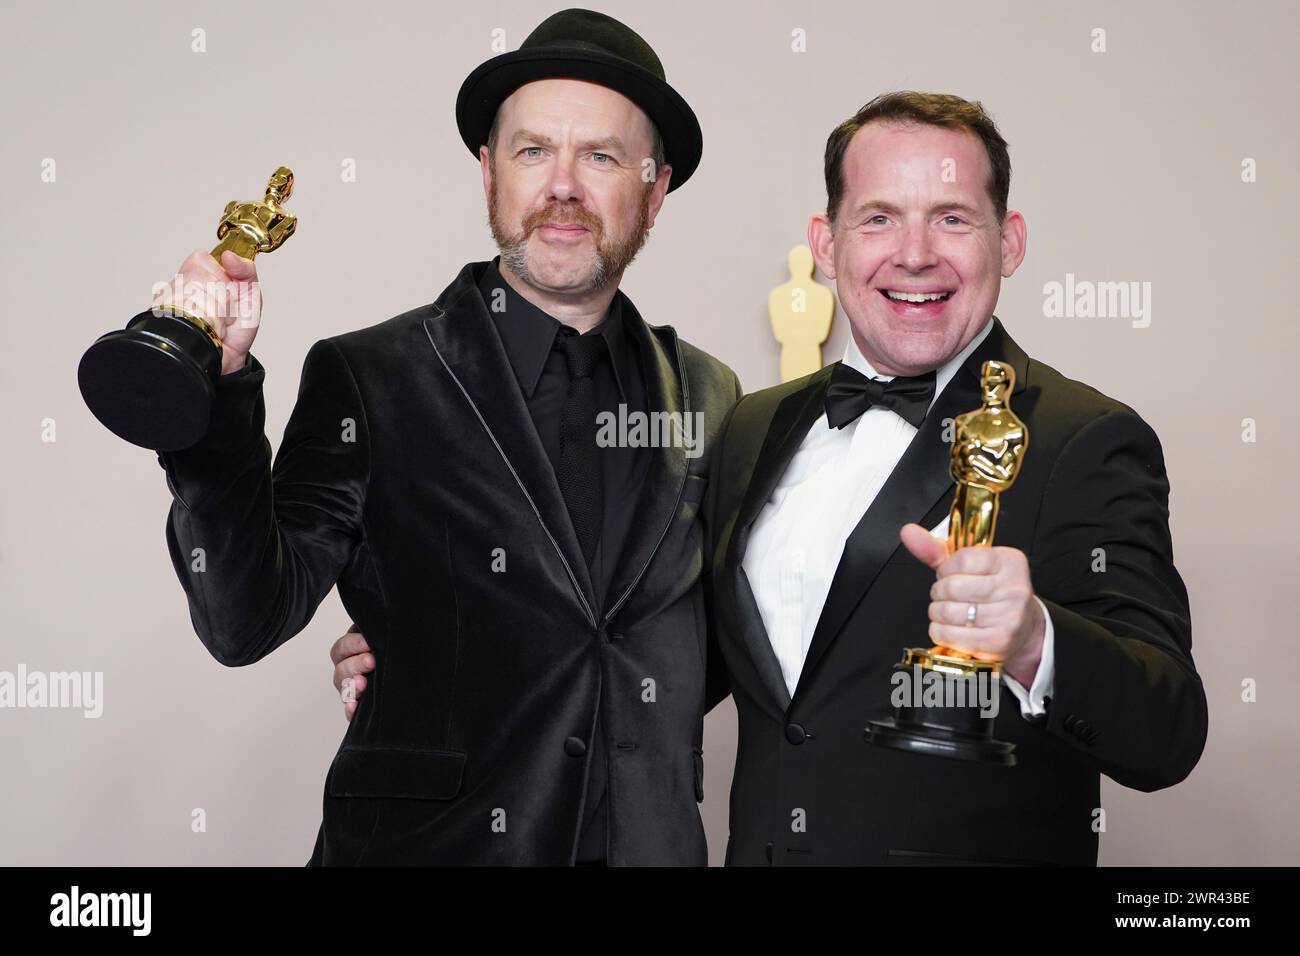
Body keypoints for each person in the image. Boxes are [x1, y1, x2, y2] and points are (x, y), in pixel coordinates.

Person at [155, 8, 741, 866]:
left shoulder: (710, 394)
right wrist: (215, 398)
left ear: (654, 191)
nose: (564, 186)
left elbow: (706, 641)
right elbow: (243, 620)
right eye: (533, 151)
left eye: (603, 157)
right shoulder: (372, 375)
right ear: (488, 172)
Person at [703, 91, 1208, 865]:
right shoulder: (752, 426)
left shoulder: (1085, 438)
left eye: (951, 217)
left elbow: (1167, 728)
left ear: (1007, 242)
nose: (913, 253)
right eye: (878, 218)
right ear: (827, 242)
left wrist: (1037, 641)